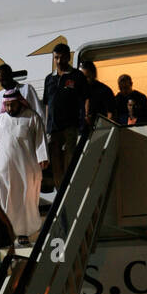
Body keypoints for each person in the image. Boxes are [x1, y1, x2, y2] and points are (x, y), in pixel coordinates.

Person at [0, 89, 50, 241]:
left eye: (12, 105)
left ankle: (22, 233)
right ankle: (2, 232)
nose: (9, 108)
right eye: (7, 105)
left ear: (19, 102)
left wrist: (43, 157)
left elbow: (40, 139)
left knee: (22, 200)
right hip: (1, 168)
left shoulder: (32, 117)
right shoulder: (0, 120)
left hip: (24, 168)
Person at [43, 43, 88, 190]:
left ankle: (71, 191)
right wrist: (46, 127)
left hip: (70, 127)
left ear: (68, 57)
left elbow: (85, 99)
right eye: (56, 57)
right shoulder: (49, 79)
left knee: (69, 163)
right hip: (53, 129)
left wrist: (84, 122)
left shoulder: (77, 76)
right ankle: (60, 194)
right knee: (56, 165)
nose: (59, 61)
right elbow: (47, 104)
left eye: (62, 57)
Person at [79, 58, 116, 131]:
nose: (84, 81)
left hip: (99, 130)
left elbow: (110, 114)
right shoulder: (78, 91)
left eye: (87, 77)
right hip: (80, 131)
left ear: (94, 75)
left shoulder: (105, 91)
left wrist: (105, 131)